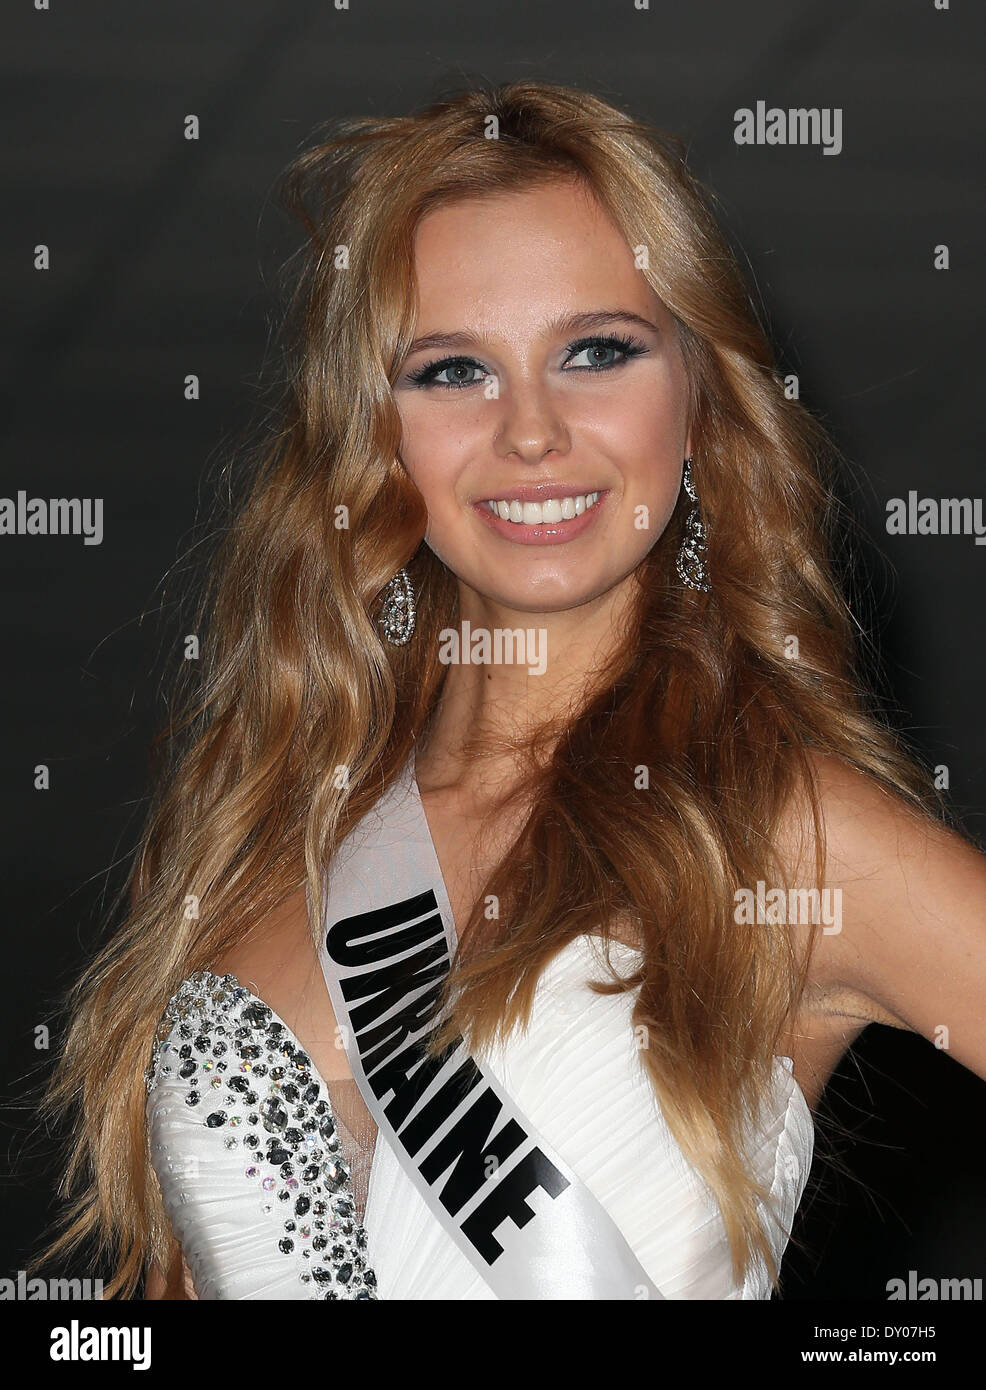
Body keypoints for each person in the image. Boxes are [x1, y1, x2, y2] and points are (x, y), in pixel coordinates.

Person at [35, 79, 986, 1301]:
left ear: (694, 399)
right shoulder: (276, 840)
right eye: (450, 371)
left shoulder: (785, 833)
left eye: (596, 350)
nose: (530, 431)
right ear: (376, 436)